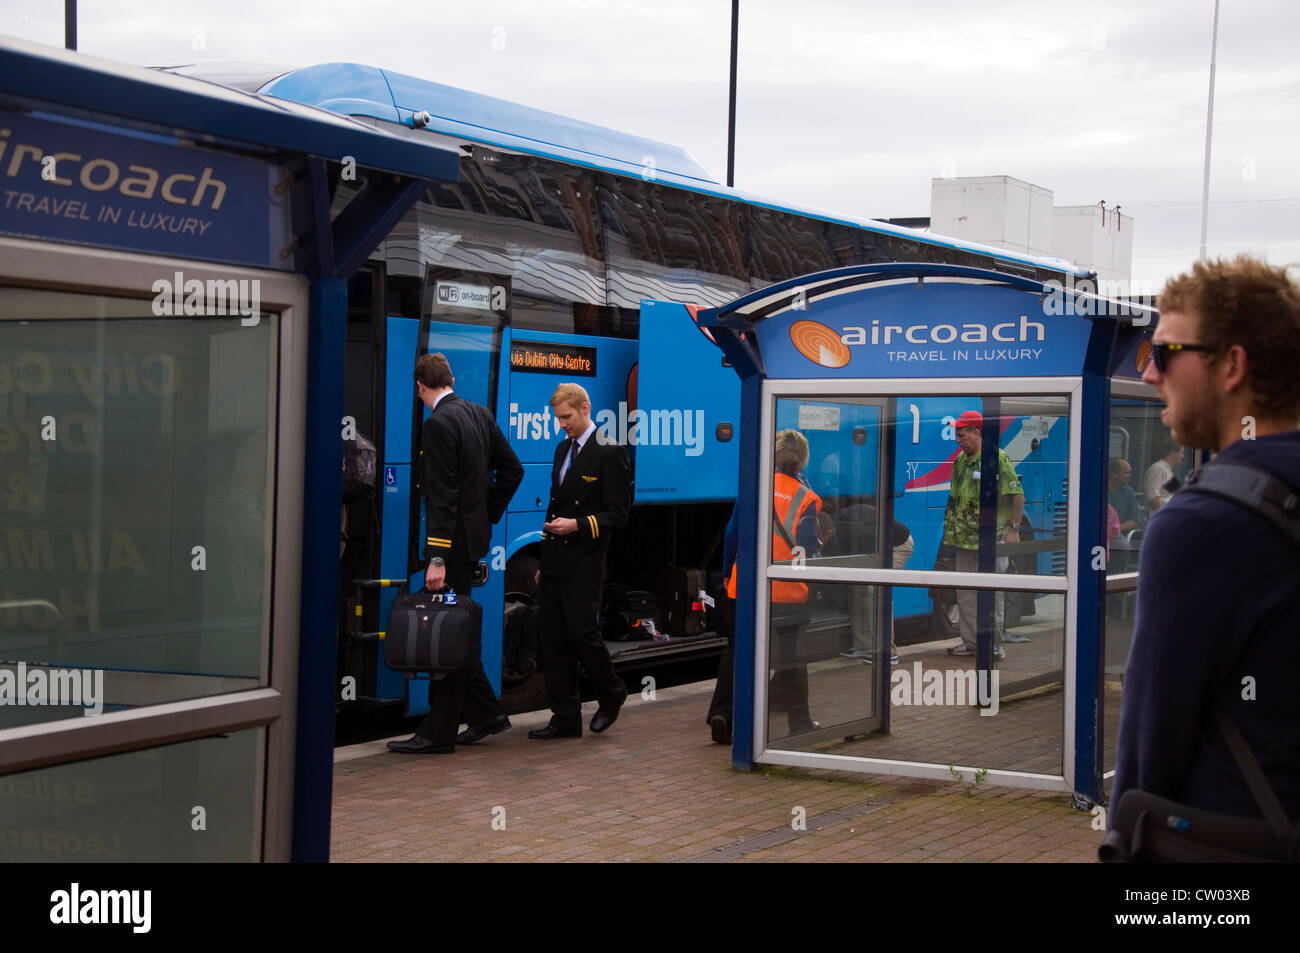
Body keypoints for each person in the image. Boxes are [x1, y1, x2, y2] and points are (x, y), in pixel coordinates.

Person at [1112, 254, 1300, 827]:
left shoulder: (1202, 525)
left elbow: (1152, 739)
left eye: (1166, 353)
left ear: (1232, 366)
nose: (1149, 373)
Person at [388, 353, 523, 755]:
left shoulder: (438, 424)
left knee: (443, 633)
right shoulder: (479, 414)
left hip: (452, 550)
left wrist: (437, 559)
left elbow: (442, 497)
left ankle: (438, 733)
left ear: (420, 387)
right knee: (457, 630)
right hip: (471, 542)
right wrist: (484, 514)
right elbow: (513, 470)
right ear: (450, 379)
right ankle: (485, 713)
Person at [528, 383, 631, 739]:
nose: (562, 424)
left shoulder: (610, 451)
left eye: (567, 417)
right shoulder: (561, 450)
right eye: (558, 418)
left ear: (585, 408)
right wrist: (543, 560)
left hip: (585, 560)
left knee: (583, 634)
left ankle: (613, 694)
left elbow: (618, 514)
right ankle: (565, 718)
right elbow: (554, 507)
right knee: (552, 638)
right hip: (556, 560)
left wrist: (577, 525)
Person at [723, 429, 823, 737]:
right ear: (802, 460)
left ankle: (723, 716)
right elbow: (806, 547)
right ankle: (799, 722)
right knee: (792, 658)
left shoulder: (754, 484)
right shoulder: (806, 497)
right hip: (787, 590)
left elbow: (732, 535)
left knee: (736, 653)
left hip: (747, 585)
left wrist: (728, 574)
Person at [943, 410, 1024, 660]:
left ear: (977, 433)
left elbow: (1017, 495)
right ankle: (970, 642)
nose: (957, 439)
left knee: (991, 593)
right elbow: (954, 499)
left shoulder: (997, 459)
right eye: (957, 435)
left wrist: (1014, 529)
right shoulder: (960, 461)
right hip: (963, 541)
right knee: (965, 593)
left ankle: (994, 643)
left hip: (992, 539)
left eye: (962, 434)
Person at [837, 502, 912, 664]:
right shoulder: (844, 522)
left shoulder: (847, 527)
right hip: (878, 547)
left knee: (876, 590)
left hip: (899, 546)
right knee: (857, 590)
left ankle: (888, 651)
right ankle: (864, 647)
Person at [1142, 436, 1184, 513]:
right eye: (1181, 452)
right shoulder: (1158, 469)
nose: (1182, 456)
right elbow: (1154, 499)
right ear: (1172, 453)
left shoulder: (1168, 470)